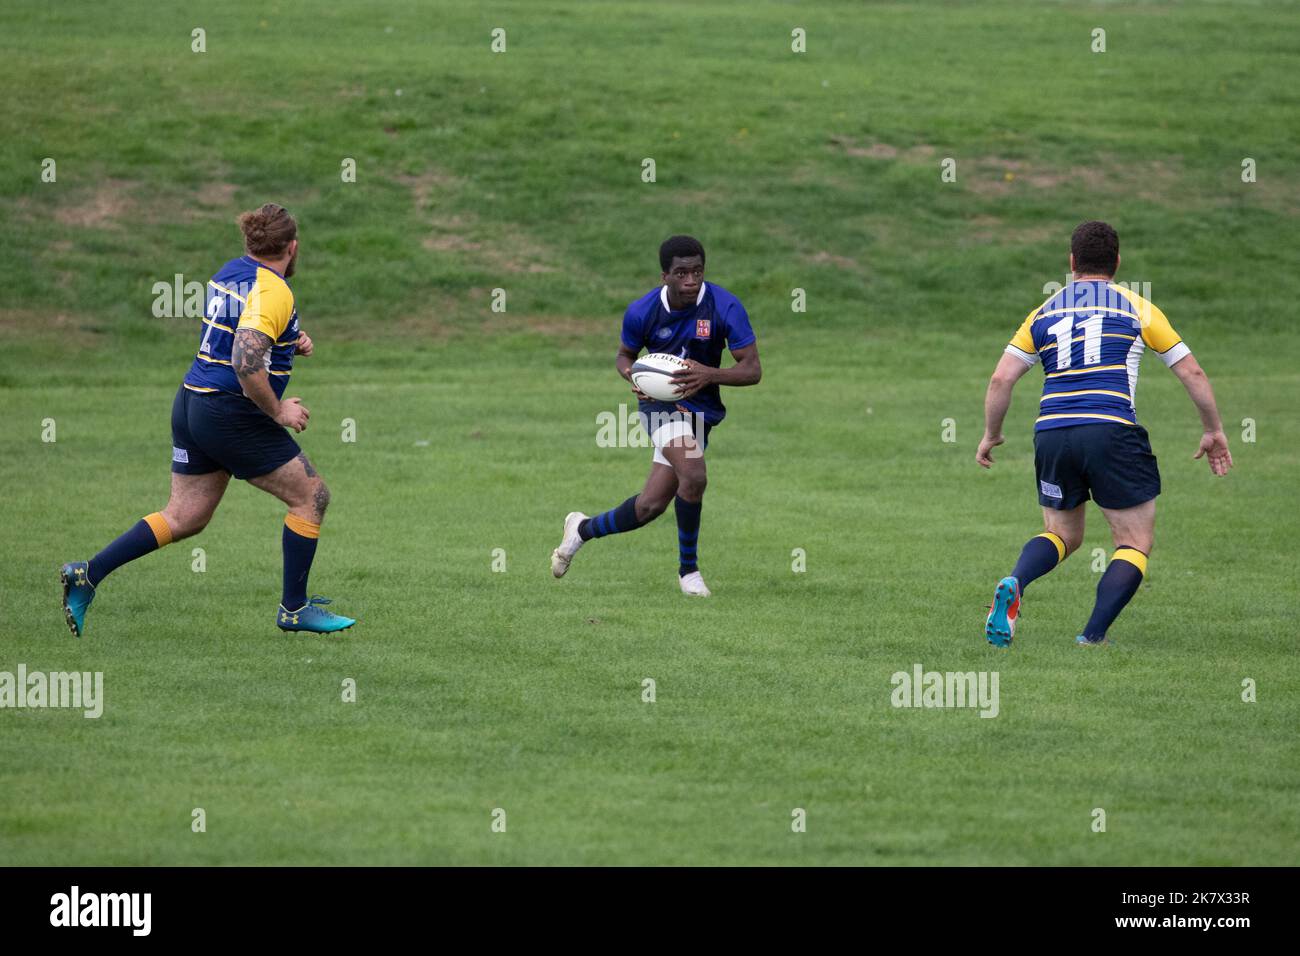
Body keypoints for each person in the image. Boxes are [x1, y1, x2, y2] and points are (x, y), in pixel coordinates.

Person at [60, 203, 356, 636]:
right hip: (229, 411)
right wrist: (277, 410)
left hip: (192, 403)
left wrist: (290, 341)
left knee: (185, 516)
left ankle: (87, 574)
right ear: (292, 247)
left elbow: (237, 336)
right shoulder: (274, 292)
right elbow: (244, 358)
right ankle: (294, 609)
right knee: (312, 497)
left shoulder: (229, 272)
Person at [977, 221, 1232, 646]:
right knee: (1133, 541)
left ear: (1072, 262)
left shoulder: (1045, 311)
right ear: (1116, 262)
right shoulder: (1136, 306)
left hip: (1053, 432)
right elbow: (1192, 370)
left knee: (1062, 535)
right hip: (1111, 429)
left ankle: (1016, 581)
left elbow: (1001, 380)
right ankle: (1092, 636)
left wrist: (992, 434)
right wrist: (1213, 429)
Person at [551, 235, 762, 596]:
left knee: (649, 506)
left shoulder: (725, 306)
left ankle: (580, 530)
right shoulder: (642, 311)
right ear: (665, 275)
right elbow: (623, 356)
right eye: (681, 273)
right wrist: (632, 377)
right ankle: (688, 572)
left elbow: (753, 370)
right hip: (659, 405)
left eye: (697, 271)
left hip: (701, 409)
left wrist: (709, 374)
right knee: (693, 475)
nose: (691, 281)